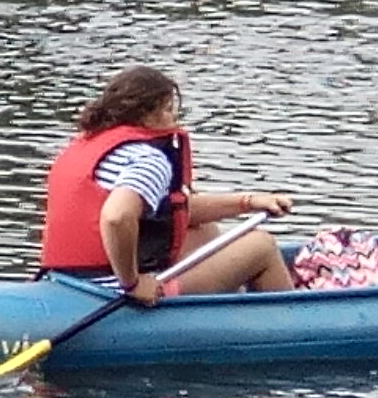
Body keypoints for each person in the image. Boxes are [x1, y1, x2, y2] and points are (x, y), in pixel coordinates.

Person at [39, 65, 295, 301]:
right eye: (169, 108)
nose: (174, 117)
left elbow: (175, 210)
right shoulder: (148, 159)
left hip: (67, 279)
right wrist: (132, 284)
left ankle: (225, 311)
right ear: (148, 115)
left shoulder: (91, 146)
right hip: (109, 290)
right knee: (262, 246)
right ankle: (290, 323)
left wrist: (248, 202)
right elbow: (116, 217)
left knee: (203, 231)